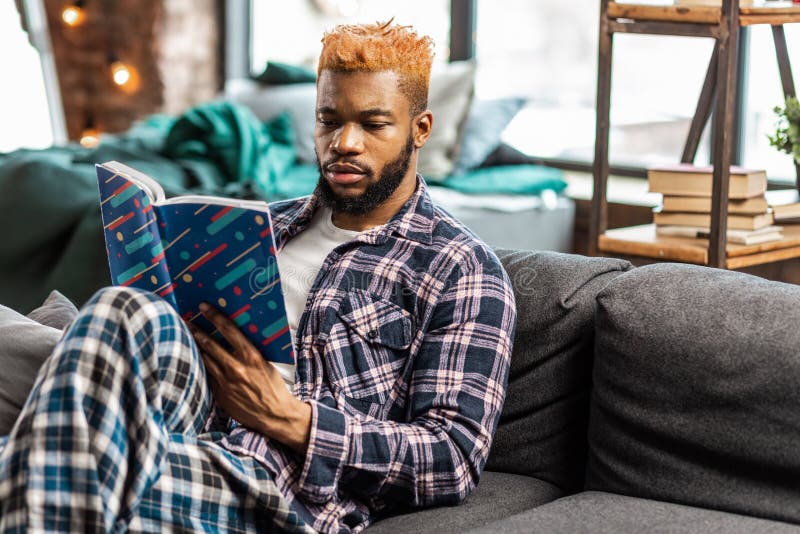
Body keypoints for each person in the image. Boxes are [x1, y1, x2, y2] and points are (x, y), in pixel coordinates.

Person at [0, 21, 516, 533]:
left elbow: (453, 458)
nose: (344, 143)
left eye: (373, 124)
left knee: (53, 461)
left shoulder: (460, 268)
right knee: (124, 307)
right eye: (328, 120)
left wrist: (288, 417)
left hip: (277, 482)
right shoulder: (262, 223)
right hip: (181, 407)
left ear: (419, 129)